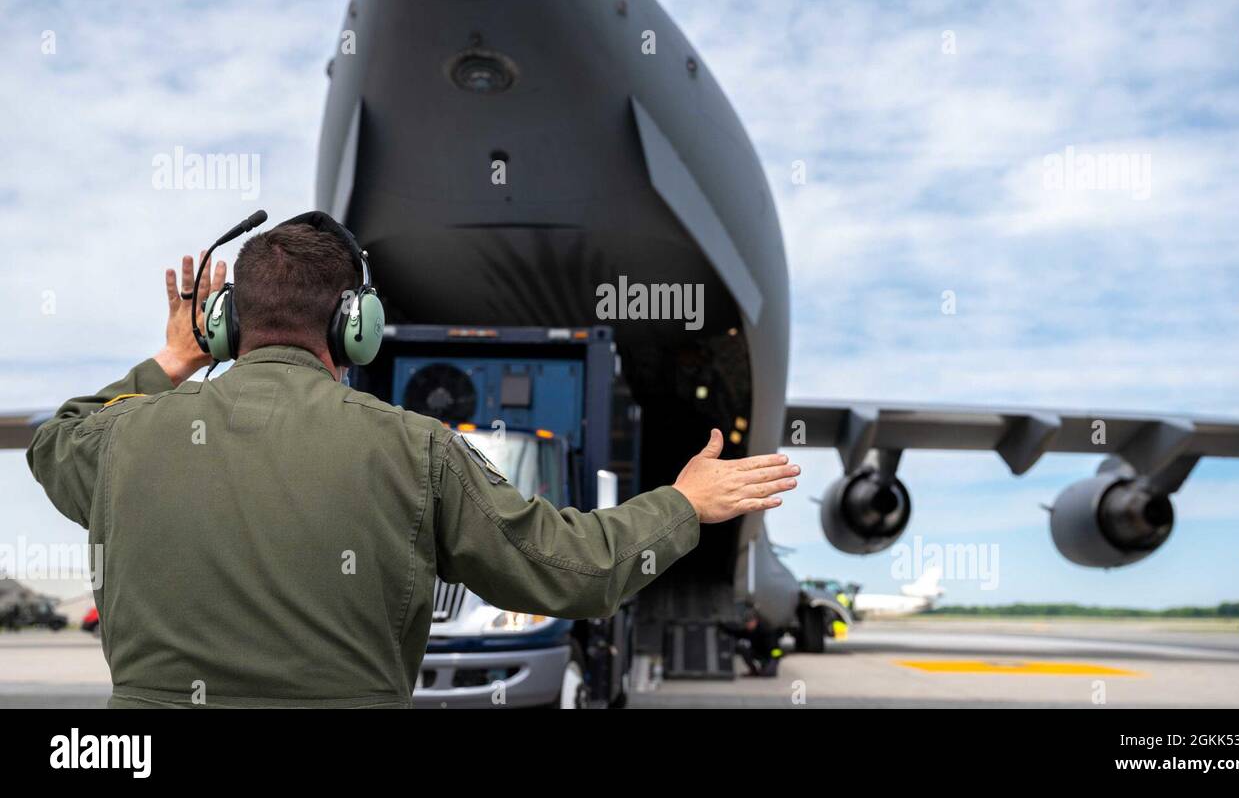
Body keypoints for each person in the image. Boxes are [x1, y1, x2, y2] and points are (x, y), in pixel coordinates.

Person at [26, 215, 799, 708]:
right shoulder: (415, 448)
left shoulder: (121, 440)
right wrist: (683, 504)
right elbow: (575, 572)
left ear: (227, 326)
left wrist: (171, 357)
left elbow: (53, 440)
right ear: (355, 326)